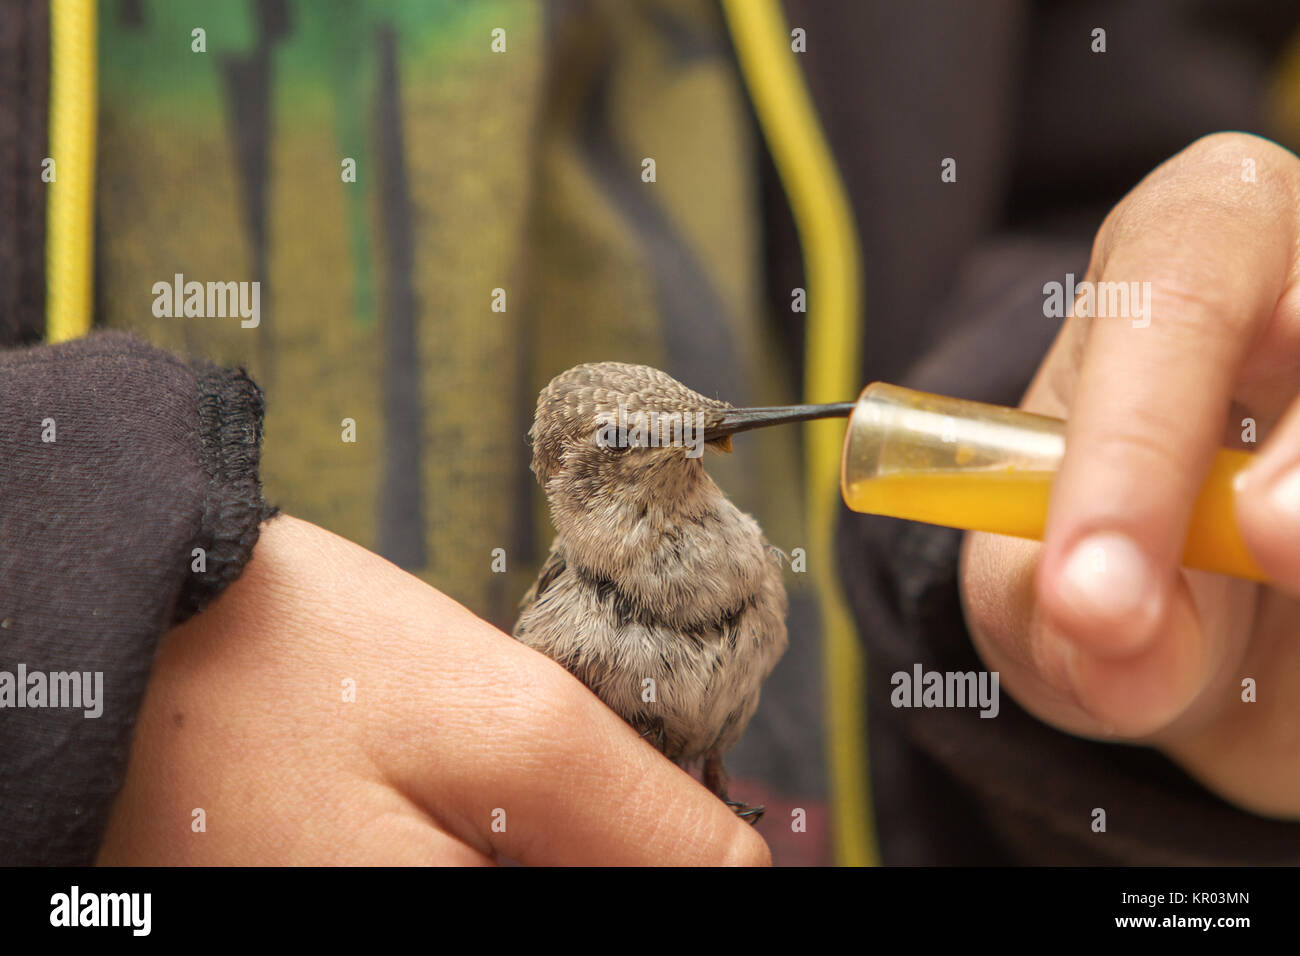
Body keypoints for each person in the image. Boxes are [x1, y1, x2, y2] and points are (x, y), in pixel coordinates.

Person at [4, 0, 1300, 866]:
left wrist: (1110, 391)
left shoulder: (743, 569)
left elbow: (1064, 175)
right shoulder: (579, 611)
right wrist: (82, 631)